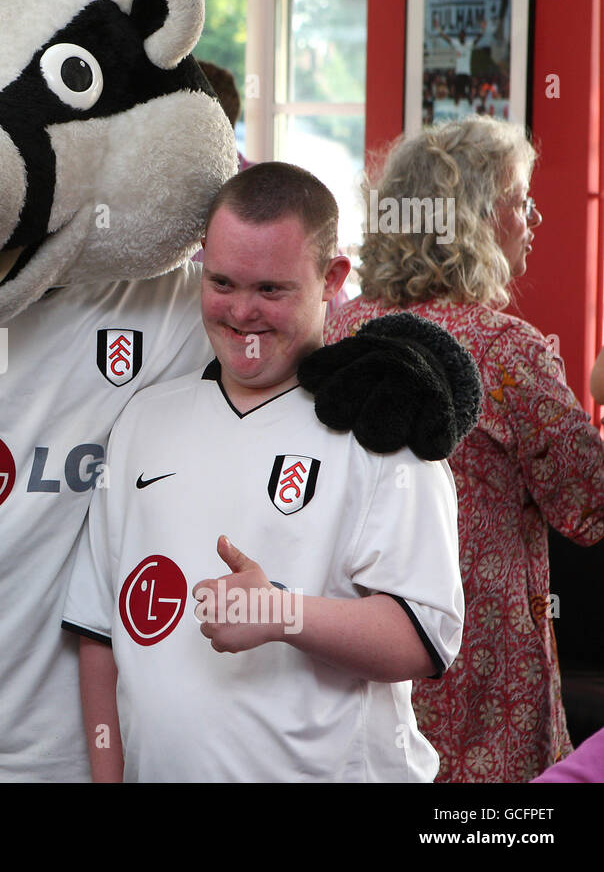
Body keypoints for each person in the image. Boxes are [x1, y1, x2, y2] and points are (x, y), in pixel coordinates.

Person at [63, 162, 464, 781]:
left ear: (332, 278)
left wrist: (283, 613)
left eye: (271, 290)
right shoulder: (144, 418)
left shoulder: (379, 428)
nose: (241, 312)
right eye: (222, 282)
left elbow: (423, 638)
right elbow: (99, 632)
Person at [325, 115, 604, 782]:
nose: (533, 217)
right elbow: (590, 505)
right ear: (473, 217)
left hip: (358, 652)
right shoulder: (509, 352)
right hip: (480, 673)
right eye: (519, 200)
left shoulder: (333, 331)